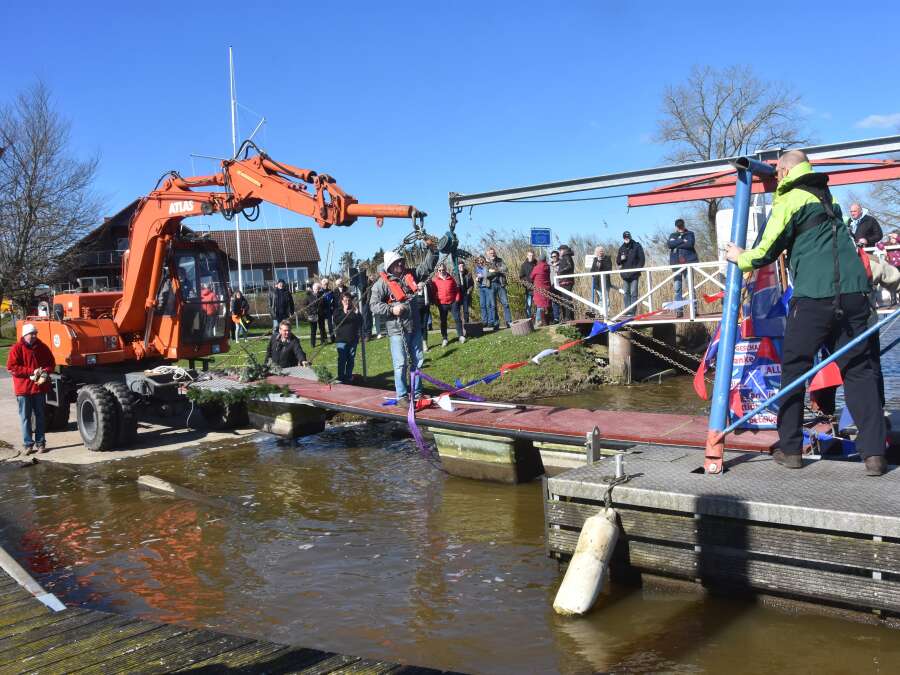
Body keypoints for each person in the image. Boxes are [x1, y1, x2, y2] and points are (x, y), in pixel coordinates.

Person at [726, 149, 886, 476]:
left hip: (814, 296)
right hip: (856, 295)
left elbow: (768, 248)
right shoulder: (830, 198)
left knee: (795, 370)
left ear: (783, 172)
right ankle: (873, 456)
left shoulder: (790, 199)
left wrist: (740, 257)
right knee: (859, 371)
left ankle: (790, 450)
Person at [370, 240, 438, 402]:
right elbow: (373, 305)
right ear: (390, 266)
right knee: (400, 364)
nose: (401, 264)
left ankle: (418, 393)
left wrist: (432, 250)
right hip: (397, 331)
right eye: (397, 262)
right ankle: (402, 396)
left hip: (414, 327)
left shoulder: (411, 275)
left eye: (402, 261)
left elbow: (427, 266)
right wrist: (391, 309)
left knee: (418, 361)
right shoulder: (381, 285)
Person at [7, 323, 55, 454]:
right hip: (23, 390)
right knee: (25, 417)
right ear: (24, 335)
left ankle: (41, 444)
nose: (34, 336)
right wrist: (31, 372)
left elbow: (51, 363)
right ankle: (28, 444)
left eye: (35, 333)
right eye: (31, 334)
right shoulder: (17, 348)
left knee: (40, 416)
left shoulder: (42, 347)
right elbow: (12, 367)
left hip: (38, 389)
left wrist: (45, 371)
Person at [667, 218, 699, 317]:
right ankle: (679, 311)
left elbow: (690, 244)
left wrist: (676, 243)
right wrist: (681, 240)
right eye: (679, 226)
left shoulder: (690, 234)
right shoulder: (673, 235)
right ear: (676, 227)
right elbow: (669, 244)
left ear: (684, 225)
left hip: (688, 263)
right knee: (677, 288)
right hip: (676, 265)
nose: (680, 228)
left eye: (681, 226)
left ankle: (694, 310)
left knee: (690, 287)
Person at [430, 261, 465, 346]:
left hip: (453, 302)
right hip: (442, 304)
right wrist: (436, 301)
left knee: (457, 319)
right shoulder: (434, 280)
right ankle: (445, 338)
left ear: (446, 269)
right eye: (440, 270)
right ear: (437, 271)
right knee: (443, 321)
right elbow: (433, 292)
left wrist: (457, 299)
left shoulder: (451, 278)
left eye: (443, 269)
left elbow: (456, 290)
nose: (442, 271)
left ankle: (461, 335)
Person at [333, 291, 362, 383]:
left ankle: (349, 376)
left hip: (353, 339)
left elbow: (361, 323)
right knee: (342, 359)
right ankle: (341, 377)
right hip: (342, 340)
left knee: (351, 359)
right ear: (341, 301)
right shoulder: (338, 311)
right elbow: (337, 321)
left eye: (349, 300)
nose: (347, 302)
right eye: (345, 300)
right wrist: (345, 312)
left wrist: (357, 313)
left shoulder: (354, 310)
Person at [617, 231, 645, 317]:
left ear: (630, 237)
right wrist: (621, 259)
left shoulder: (637, 246)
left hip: (634, 274)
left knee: (634, 293)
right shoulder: (621, 248)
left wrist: (637, 269)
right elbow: (617, 261)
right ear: (623, 238)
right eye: (625, 237)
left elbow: (642, 259)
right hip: (625, 275)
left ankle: (632, 312)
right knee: (626, 293)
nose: (627, 239)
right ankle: (627, 310)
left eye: (628, 237)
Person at [485, 247, 513, 328]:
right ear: (487, 254)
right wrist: (496, 271)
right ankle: (496, 323)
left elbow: (505, 269)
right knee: (493, 306)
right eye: (490, 253)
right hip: (491, 285)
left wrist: (494, 270)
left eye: (493, 253)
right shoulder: (485, 263)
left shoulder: (500, 260)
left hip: (501, 284)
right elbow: (486, 274)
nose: (492, 254)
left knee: (506, 304)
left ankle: (509, 322)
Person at [590, 245, 613, 316]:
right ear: (596, 252)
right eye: (599, 251)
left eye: (602, 251)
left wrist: (601, 263)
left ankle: (607, 313)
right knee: (600, 298)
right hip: (597, 282)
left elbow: (609, 269)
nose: (601, 252)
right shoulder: (595, 260)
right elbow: (592, 270)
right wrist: (597, 267)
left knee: (606, 297)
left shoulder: (607, 258)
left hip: (605, 281)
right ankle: (601, 313)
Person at [530, 253, 552, 326]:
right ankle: (545, 321)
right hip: (547, 288)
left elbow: (531, 277)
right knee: (545, 305)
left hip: (539, 288)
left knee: (540, 305)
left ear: (539, 259)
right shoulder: (548, 267)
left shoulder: (537, 267)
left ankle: (538, 321)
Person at [474, 256, 496, 328]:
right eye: (479, 261)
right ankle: (484, 321)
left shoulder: (487, 266)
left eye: (481, 260)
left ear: (484, 260)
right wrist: (477, 278)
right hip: (481, 288)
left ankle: (490, 321)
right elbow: (476, 276)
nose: (480, 262)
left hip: (487, 287)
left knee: (488, 305)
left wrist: (483, 275)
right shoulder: (476, 268)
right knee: (482, 305)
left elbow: (493, 273)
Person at [303, 282, 327, 348]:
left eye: (318, 289)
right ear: (313, 289)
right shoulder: (308, 296)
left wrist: (323, 311)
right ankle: (312, 343)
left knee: (322, 328)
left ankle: (323, 341)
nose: (316, 290)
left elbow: (324, 305)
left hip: (320, 314)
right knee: (313, 330)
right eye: (315, 289)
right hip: (312, 315)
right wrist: (309, 312)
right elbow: (305, 306)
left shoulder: (322, 296)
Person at [556, 244, 576, 322]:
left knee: (566, 299)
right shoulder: (565, 257)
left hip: (566, 281)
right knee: (567, 299)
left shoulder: (566, 256)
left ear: (564, 250)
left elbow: (569, 266)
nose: (559, 252)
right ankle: (570, 317)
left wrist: (560, 271)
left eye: (560, 250)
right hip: (565, 280)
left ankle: (568, 317)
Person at [519, 251, 537, 318]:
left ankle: (538, 319)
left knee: (537, 304)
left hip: (537, 287)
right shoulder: (524, 265)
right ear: (527, 256)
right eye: (529, 255)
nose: (531, 257)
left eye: (532, 255)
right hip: (528, 288)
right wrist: (527, 284)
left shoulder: (537, 264)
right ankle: (529, 319)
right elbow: (521, 277)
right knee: (528, 304)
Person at [549, 249, 561, 323]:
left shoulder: (561, 264)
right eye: (552, 256)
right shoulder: (549, 265)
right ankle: (556, 318)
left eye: (555, 256)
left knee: (562, 301)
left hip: (560, 285)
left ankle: (565, 317)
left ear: (558, 256)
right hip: (552, 285)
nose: (553, 257)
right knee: (554, 302)